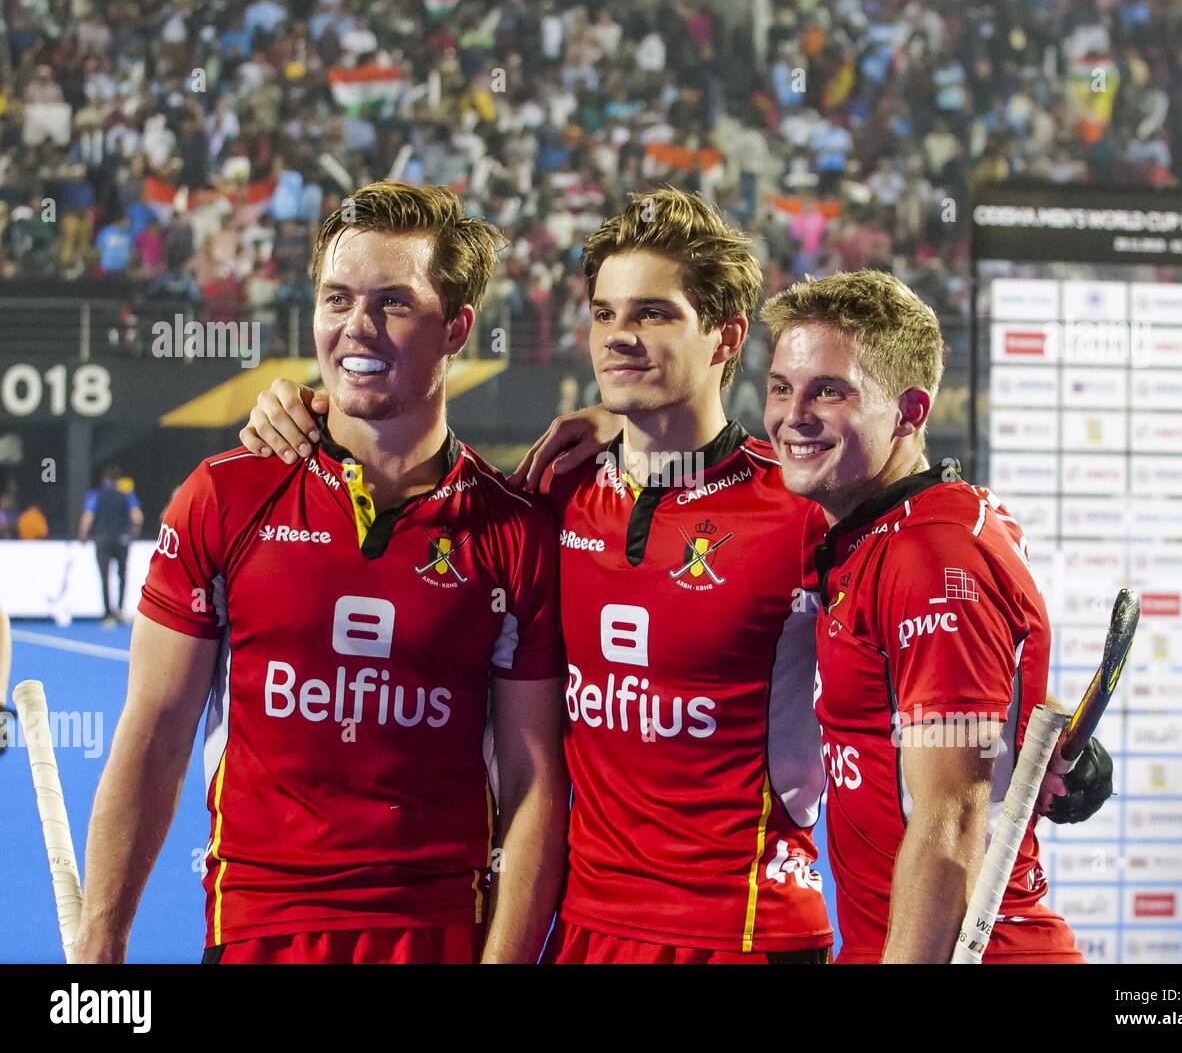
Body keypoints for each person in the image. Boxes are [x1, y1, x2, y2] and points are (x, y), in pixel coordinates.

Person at [240, 187, 834, 963]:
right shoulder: (553, 494)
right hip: (581, 935)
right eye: (605, 313)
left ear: (726, 337)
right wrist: (310, 406)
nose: (619, 336)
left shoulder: (802, 515)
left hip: (747, 936)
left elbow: (919, 646)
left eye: (653, 314)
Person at [73, 181, 569, 965]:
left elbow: (533, 781)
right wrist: (99, 945)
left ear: (458, 329)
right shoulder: (224, 495)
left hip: (439, 935)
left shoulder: (514, 529)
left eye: (394, 304)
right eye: (336, 299)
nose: (356, 329)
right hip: (257, 936)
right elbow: (155, 734)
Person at [762, 269, 1091, 962]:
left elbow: (954, 814)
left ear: (910, 412)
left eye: (829, 390)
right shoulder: (892, 524)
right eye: (781, 387)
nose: (792, 417)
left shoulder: (927, 556)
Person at [78, 465, 143, 626]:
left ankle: (108, 613)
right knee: (122, 574)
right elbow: (137, 517)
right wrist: (133, 533)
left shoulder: (96, 495)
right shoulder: (126, 495)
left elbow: (88, 516)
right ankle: (120, 609)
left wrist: (83, 535)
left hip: (102, 538)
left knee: (105, 576)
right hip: (122, 538)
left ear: (104, 480)